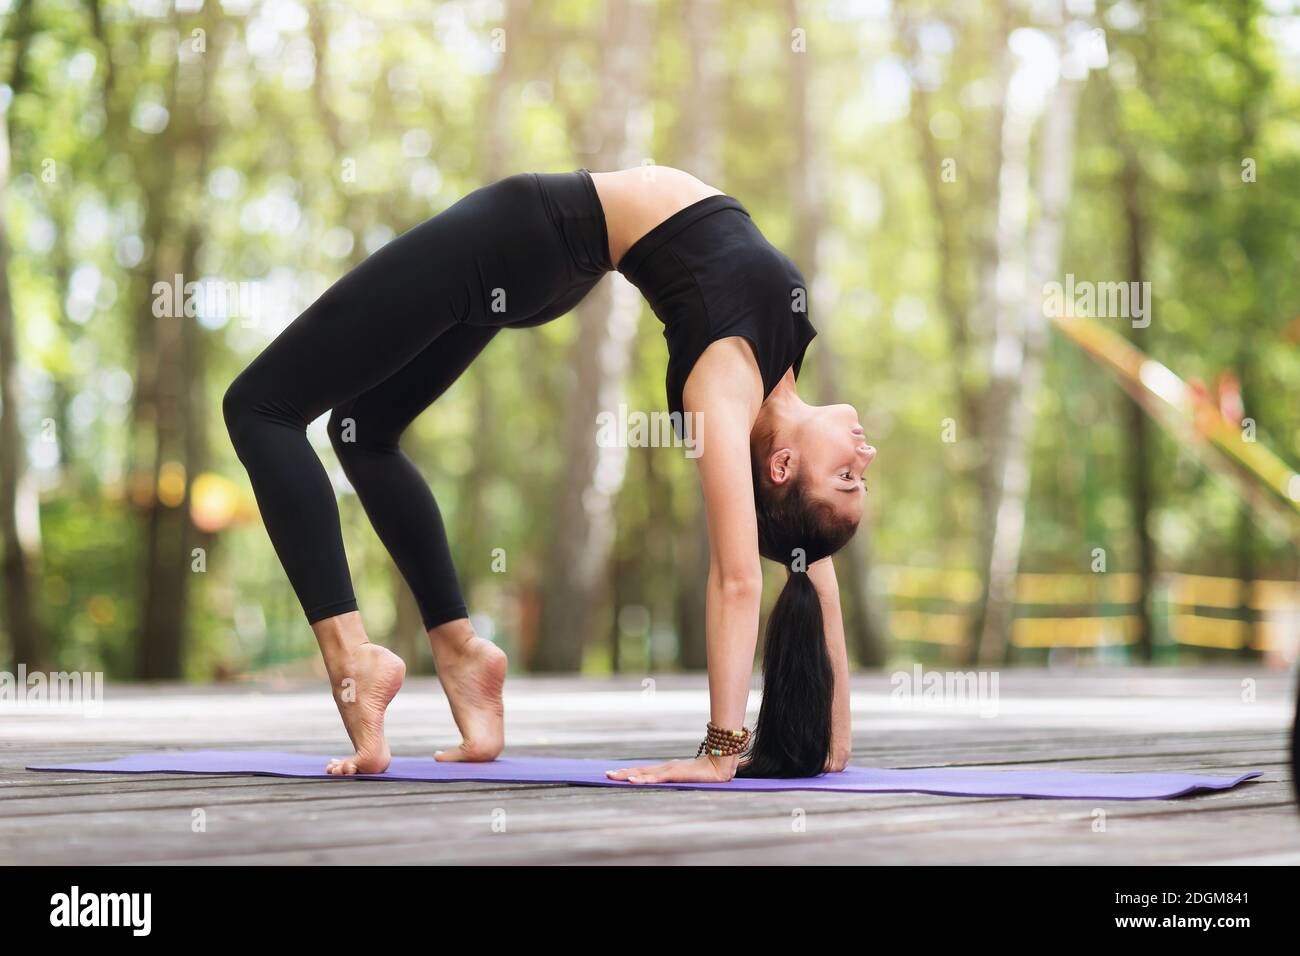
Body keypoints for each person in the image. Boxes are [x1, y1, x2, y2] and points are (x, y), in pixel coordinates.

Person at [222, 166, 876, 783]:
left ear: (784, 465)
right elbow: (807, 561)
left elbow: (737, 579)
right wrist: (829, 737)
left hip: (524, 236)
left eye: (847, 478)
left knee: (260, 408)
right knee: (364, 430)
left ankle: (351, 659)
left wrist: (719, 752)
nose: (865, 458)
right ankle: (462, 653)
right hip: (553, 259)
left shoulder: (725, 386)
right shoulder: (778, 368)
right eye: (859, 479)